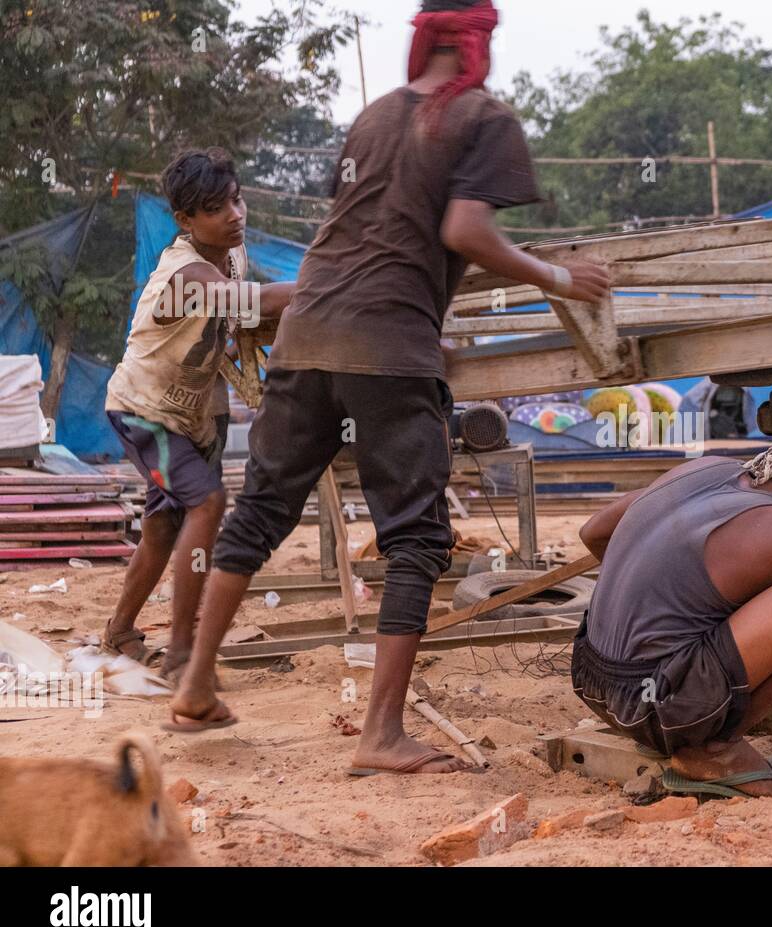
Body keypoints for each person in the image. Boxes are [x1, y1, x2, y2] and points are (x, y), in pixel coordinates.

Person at [165, 0, 611, 774]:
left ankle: (196, 684)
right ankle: (381, 735)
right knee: (417, 540)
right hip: (387, 353)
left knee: (262, 512)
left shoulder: (374, 116)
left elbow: (369, 236)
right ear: (479, 43)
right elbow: (464, 233)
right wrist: (562, 279)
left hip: (308, 336)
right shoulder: (482, 118)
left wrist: (412, 312)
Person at [574, 439, 772, 798]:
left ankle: (684, 719)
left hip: (594, 683)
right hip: (657, 708)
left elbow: (594, 533)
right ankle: (712, 749)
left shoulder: (709, 469)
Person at [102, 148, 295, 682]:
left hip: (188, 417)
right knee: (208, 504)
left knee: (164, 527)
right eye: (215, 208)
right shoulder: (186, 274)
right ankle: (184, 651)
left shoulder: (230, 253)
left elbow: (250, 315)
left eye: (237, 200)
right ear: (186, 221)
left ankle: (120, 632)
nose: (234, 214)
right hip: (144, 411)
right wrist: (334, 288)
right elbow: (249, 303)